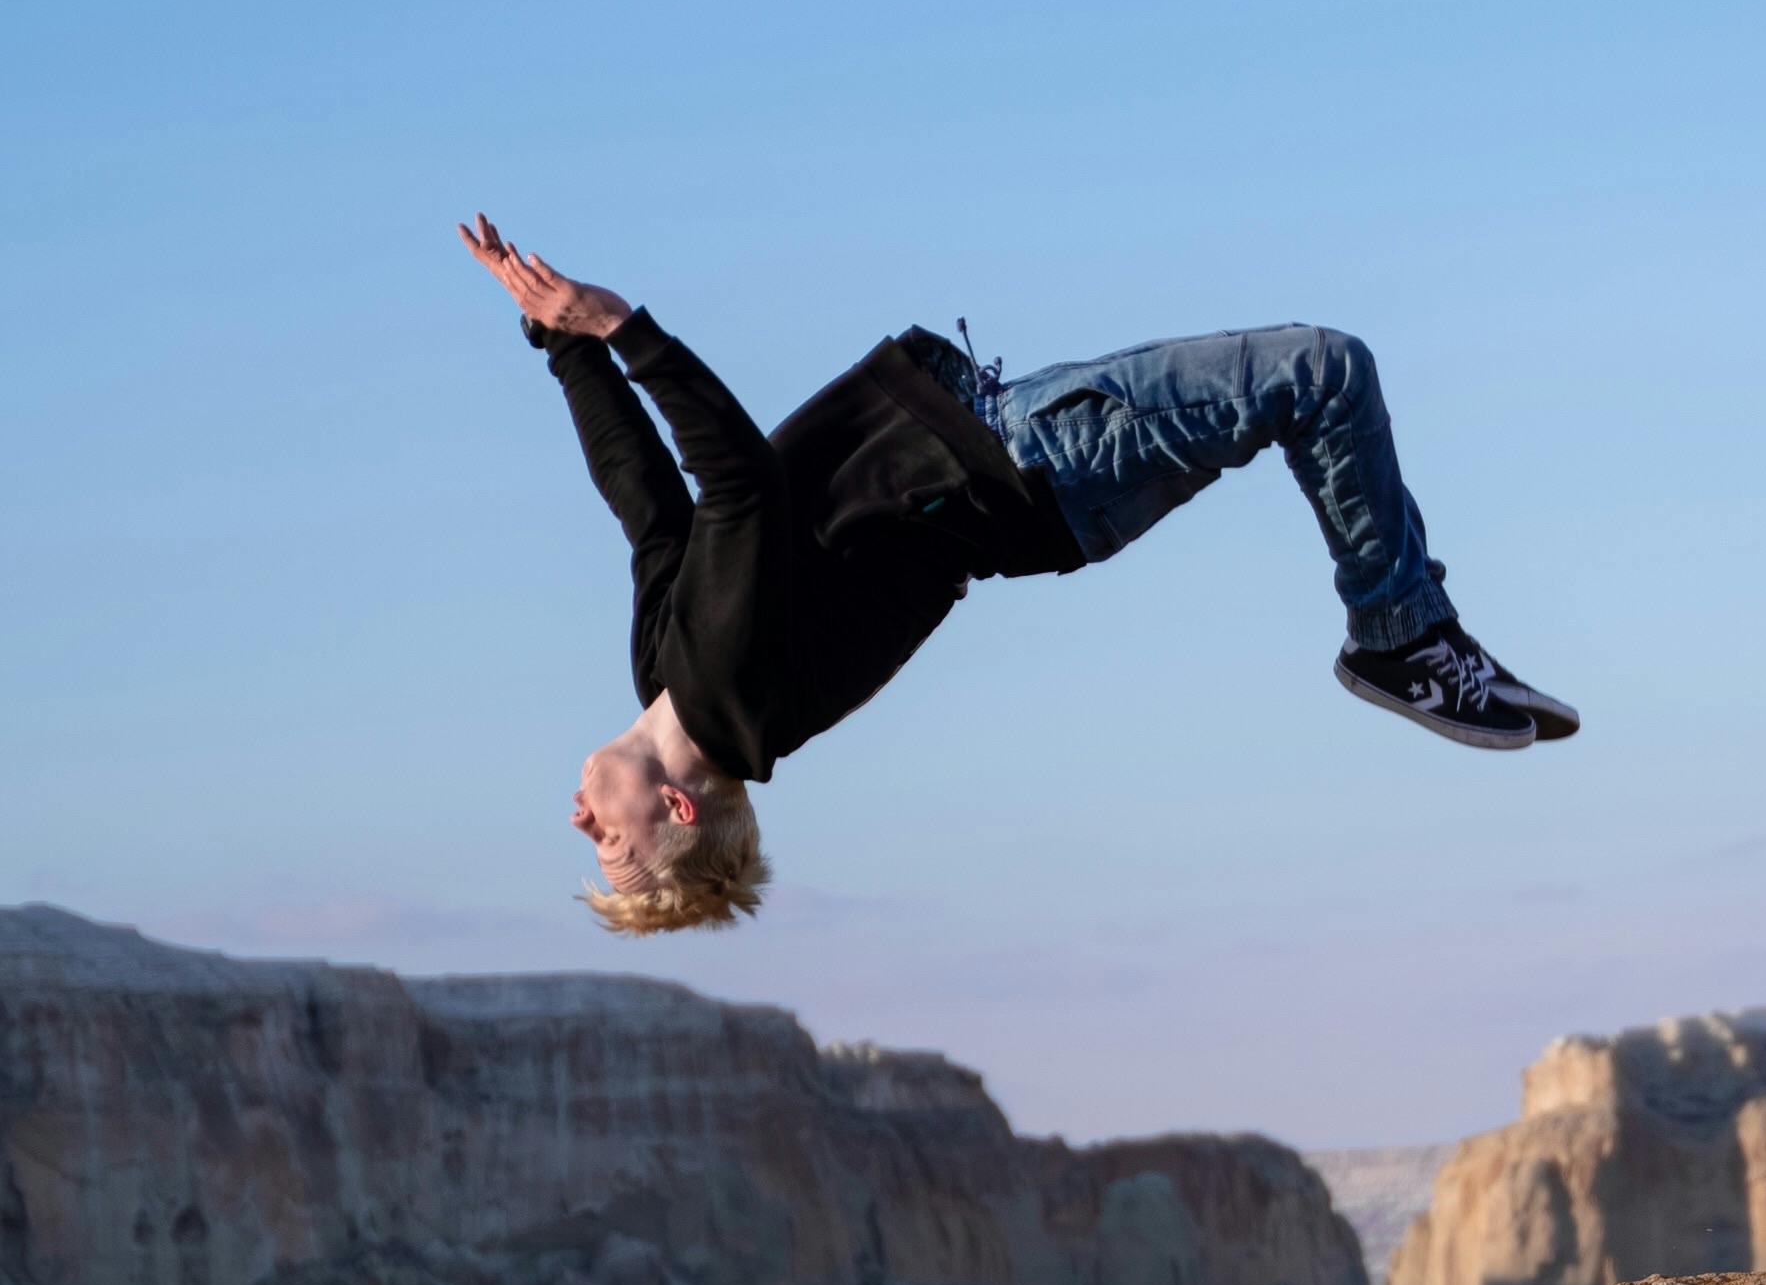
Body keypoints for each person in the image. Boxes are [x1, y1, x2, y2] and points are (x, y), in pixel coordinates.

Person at [459, 224, 1576, 936]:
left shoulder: (671, 666)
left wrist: (562, 346)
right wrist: (622, 328)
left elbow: (649, 505)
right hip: (1031, 461)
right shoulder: (731, 689)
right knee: (1323, 372)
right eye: (611, 847)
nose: (580, 821)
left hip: (1022, 466)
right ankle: (1398, 634)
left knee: (1314, 383)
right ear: (676, 809)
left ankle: (1400, 630)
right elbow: (739, 481)